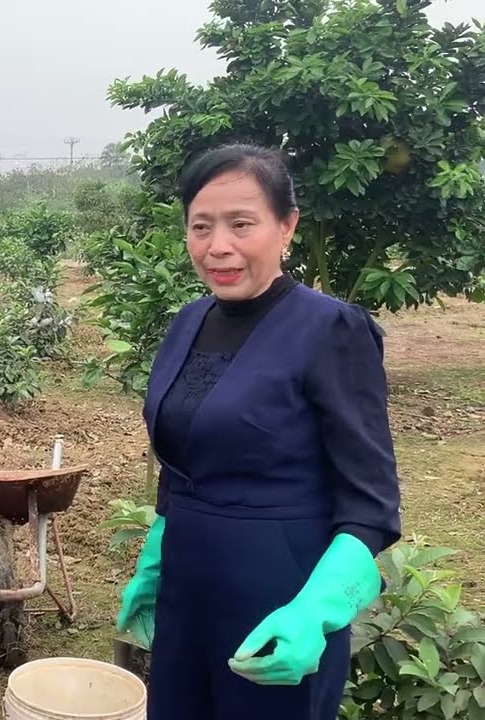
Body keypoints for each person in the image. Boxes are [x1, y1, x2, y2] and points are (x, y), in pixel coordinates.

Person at [115, 144, 402, 719]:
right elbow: (183, 457)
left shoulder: (330, 331)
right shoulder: (188, 323)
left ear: (286, 226)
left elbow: (372, 506)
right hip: (188, 586)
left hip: (280, 593)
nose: (218, 246)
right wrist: (156, 556)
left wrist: (315, 612)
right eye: (201, 226)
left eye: (241, 224)